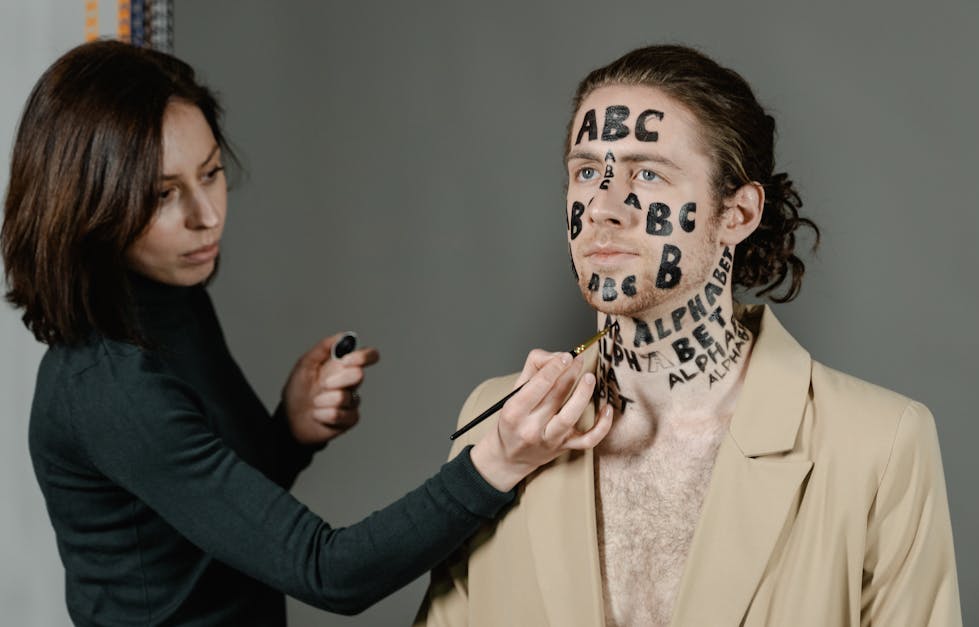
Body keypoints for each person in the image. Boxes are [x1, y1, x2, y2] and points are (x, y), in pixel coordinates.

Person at [1, 41, 611, 626]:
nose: (205, 215)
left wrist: (289, 432)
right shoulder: (109, 385)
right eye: (162, 195)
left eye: (211, 173)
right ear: (87, 205)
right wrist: (498, 461)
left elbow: (215, 525)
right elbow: (328, 571)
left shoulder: (167, 298)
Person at [416, 44, 962, 626]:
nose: (603, 206)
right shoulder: (498, 421)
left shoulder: (879, 444)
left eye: (647, 173)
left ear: (739, 214)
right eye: (585, 172)